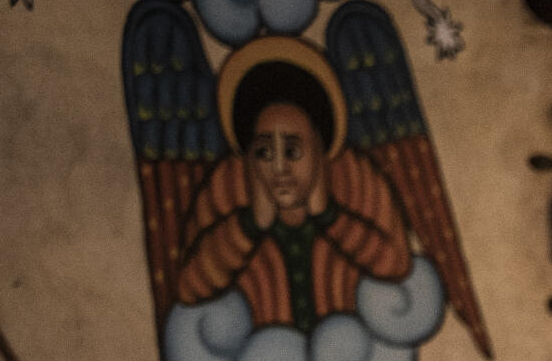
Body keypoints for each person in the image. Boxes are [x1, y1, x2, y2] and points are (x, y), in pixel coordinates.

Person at [172, 40, 414, 333]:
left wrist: (329, 216)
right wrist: (251, 224)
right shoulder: (227, 185)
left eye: (292, 151)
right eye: (264, 152)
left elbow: (396, 264)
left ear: (319, 149)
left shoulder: (354, 176)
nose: (279, 168)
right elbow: (188, 287)